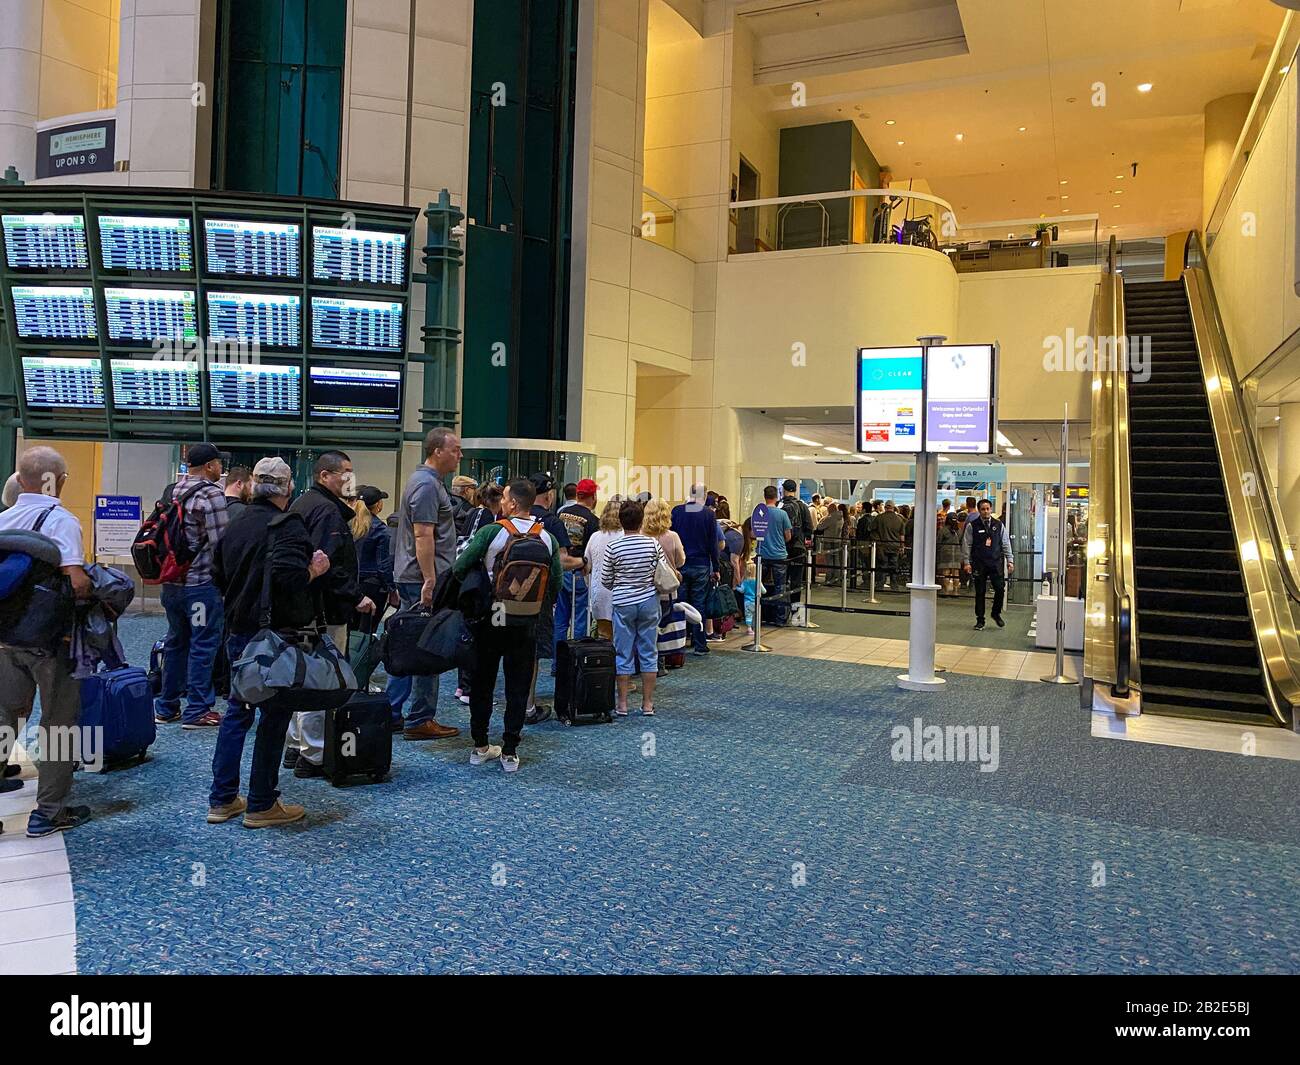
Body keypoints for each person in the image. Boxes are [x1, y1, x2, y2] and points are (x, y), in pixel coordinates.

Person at [208, 458, 332, 828]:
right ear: (288, 488)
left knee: (237, 713)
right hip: (274, 637)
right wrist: (316, 569)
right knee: (274, 717)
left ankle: (223, 799)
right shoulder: (289, 526)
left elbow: (218, 574)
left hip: (238, 631)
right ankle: (262, 803)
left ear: (252, 486)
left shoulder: (236, 522)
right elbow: (290, 580)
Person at [0, 447, 92, 837]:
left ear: (20, 481)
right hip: (50, 641)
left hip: (6, 639)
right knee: (58, 726)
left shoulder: (4, 518)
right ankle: (49, 813)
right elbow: (76, 580)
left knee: (5, 720)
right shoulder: (61, 520)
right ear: (62, 481)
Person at [453, 477, 562, 773]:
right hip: (525, 621)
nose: (501, 501)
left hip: (491, 618)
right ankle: (510, 751)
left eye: (503, 497)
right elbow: (556, 583)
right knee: (518, 684)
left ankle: (479, 746)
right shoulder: (547, 538)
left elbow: (460, 567)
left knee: (483, 682)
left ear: (512, 503)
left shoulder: (493, 532)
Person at [285, 451, 377, 774]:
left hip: (304, 608)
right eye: (344, 473)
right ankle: (313, 755)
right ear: (325, 476)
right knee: (321, 680)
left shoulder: (303, 504)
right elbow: (329, 566)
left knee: (301, 675)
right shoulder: (327, 512)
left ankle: (297, 745)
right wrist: (357, 596)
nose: (350, 479)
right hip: (325, 611)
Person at [387, 428, 462, 740]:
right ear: (437, 451)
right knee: (426, 648)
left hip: (415, 576)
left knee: (406, 646)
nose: (459, 455)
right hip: (421, 578)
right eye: (455, 450)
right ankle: (419, 718)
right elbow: (423, 535)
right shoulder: (427, 485)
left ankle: (392, 711)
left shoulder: (429, 483)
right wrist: (430, 579)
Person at [153, 442, 229, 729]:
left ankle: (166, 706)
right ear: (210, 466)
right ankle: (197, 709)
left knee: (176, 641)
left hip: (171, 584)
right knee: (203, 644)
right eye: (219, 464)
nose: (220, 469)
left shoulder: (170, 491)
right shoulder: (211, 494)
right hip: (200, 585)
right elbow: (222, 543)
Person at [524, 472, 583, 723]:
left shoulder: (511, 519)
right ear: (549, 494)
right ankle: (527, 706)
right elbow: (562, 562)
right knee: (533, 652)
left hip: (506, 598)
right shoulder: (552, 522)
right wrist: (584, 561)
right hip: (539, 596)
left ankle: (512, 700)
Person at [600, 500, 665, 716]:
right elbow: (661, 572)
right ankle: (647, 703)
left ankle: (623, 704)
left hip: (623, 602)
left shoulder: (613, 546)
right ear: (641, 521)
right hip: (648, 601)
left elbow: (606, 580)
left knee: (622, 652)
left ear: (620, 521)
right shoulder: (653, 544)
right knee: (649, 651)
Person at [669, 485, 720, 657]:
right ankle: (700, 644)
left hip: (680, 565)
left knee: (681, 604)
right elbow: (713, 544)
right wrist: (717, 567)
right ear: (704, 496)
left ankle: (678, 643)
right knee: (699, 604)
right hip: (701, 564)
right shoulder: (708, 514)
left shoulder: (676, 511)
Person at [554, 478, 599, 654]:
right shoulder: (593, 520)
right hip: (580, 572)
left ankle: (557, 663)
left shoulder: (561, 514)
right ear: (593, 496)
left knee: (561, 619)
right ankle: (575, 661)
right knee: (581, 619)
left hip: (561, 570)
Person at [962, 498, 1014, 630]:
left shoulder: (999, 525)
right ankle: (980, 620)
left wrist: (1010, 560)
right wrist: (967, 562)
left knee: (1000, 589)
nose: (986, 511)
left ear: (991, 509)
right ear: (979, 511)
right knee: (980, 592)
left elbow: (1006, 542)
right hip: (979, 563)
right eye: (983, 509)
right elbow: (967, 544)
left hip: (995, 562)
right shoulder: (972, 526)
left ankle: (996, 613)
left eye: (988, 509)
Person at [584, 499, 624, 640]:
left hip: (599, 592)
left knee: (603, 634)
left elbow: (586, 565)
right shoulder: (626, 536)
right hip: (621, 593)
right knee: (622, 636)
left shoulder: (595, 537)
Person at [756, 485, 792, 625]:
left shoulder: (759, 512)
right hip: (779, 555)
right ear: (776, 497)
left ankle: (757, 615)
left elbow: (754, 533)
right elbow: (787, 536)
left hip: (762, 554)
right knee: (780, 587)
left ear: (764, 496)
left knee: (758, 585)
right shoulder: (782, 514)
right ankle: (780, 619)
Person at [778, 479, 813, 608]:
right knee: (796, 580)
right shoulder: (802, 506)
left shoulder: (779, 505)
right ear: (795, 490)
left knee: (781, 579)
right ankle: (795, 607)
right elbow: (809, 527)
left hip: (782, 547)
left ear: (784, 490)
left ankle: (780, 607)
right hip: (798, 547)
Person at [874, 500, 905, 592]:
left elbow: (871, 530)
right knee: (894, 567)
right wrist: (902, 547)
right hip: (895, 546)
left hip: (882, 546)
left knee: (882, 566)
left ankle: (880, 585)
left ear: (886, 507)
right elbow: (902, 536)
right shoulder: (899, 519)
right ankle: (894, 586)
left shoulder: (879, 518)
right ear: (893, 507)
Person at [937, 512, 963, 596]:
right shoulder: (959, 530)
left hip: (945, 554)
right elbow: (961, 541)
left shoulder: (943, 530)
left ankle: (946, 591)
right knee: (956, 574)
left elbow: (938, 542)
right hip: (957, 553)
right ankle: (955, 591)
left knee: (946, 573)